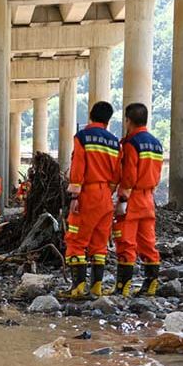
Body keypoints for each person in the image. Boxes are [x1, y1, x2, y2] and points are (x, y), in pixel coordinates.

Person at [62, 101, 120, 298]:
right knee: (99, 243)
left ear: (91, 115)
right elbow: (117, 174)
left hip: (87, 194)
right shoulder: (114, 142)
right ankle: (96, 288)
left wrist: (75, 195)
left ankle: (77, 288)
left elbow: (78, 166)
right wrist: (107, 192)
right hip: (105, 197)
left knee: (76, 240)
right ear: (108, 120)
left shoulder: (83, 137)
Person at [111, 102, 163, 296]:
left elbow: (129, 175)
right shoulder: (156, 143)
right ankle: (151, 285)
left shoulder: (131, 143)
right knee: (147, 241)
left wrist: (122, 200)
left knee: (125, 240)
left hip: (132, 198)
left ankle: (122, 286)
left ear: (128, 120)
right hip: (149, 198)